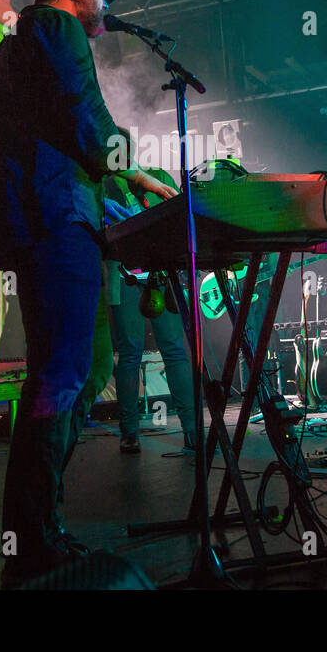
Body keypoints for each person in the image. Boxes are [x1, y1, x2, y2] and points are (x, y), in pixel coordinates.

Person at [0, 0, 174, 587]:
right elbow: (85, 117)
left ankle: (39, 531)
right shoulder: (52, 26)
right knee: (61, 375)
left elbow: (60, 130)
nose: (106, 4)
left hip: (50, 219)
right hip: (59, 222)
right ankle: (31, 540)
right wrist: (137, 173)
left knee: (80, 370)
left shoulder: (18, 42)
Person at [103, 168, 197, 453]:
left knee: (175, 350)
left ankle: (192, 431)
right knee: (130, 354)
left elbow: (178, 219)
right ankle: (129, 432)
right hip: (124, 276)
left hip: (162, 275)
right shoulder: (102, 186)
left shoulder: (158, 178)